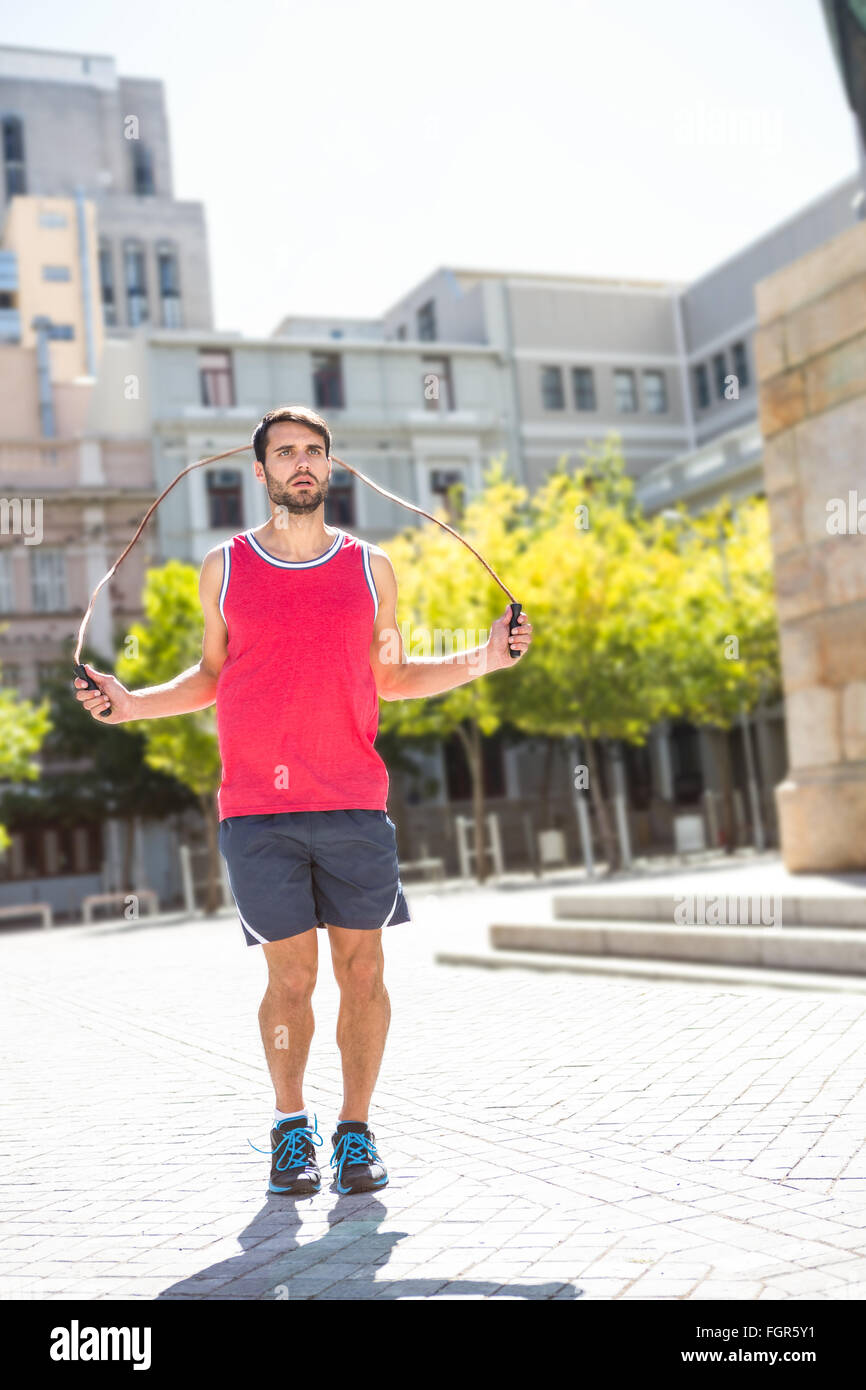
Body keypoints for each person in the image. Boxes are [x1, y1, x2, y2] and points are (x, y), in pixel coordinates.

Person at [74, 404, 533, 1197]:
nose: (302, 463)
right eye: (285, 452)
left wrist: (485, 658)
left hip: (354, 801)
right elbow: (212, 679)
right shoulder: (225, 566)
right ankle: (293, 1127)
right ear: (260, 472)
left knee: (364, 973)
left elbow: (390, 676)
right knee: (291, 983)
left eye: (314, 450)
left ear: (331, 466)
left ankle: (355, 1131)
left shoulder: (371, 568)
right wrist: (131, 702)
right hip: (256, 810)